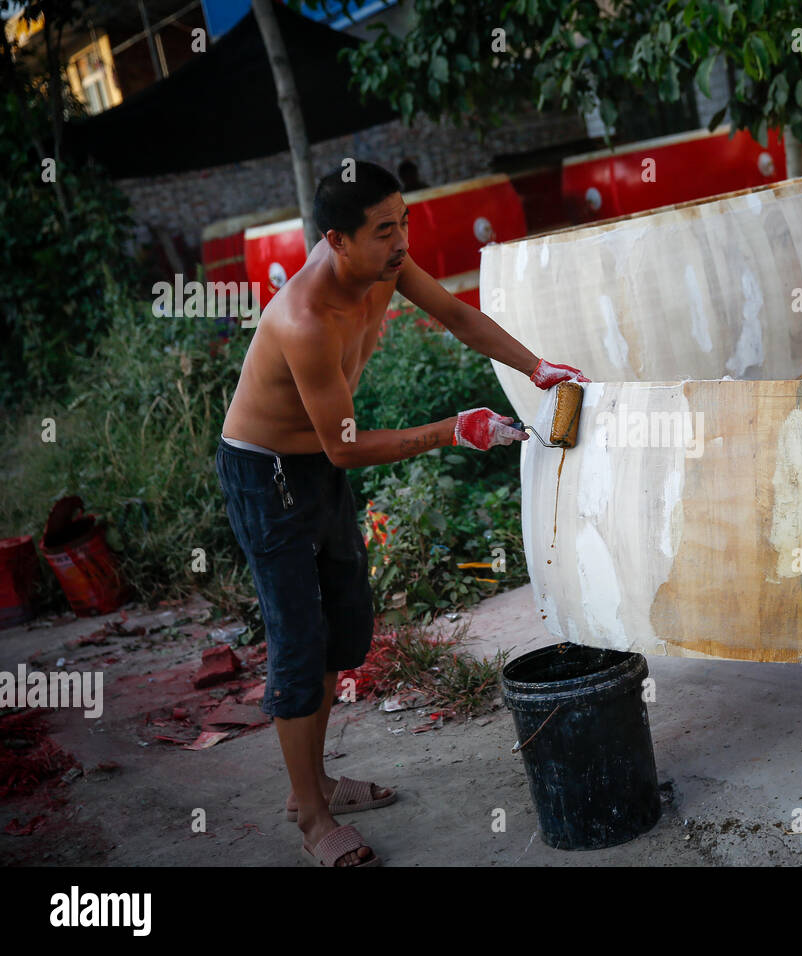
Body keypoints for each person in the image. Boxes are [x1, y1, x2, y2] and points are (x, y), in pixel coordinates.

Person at [215, 160, 587, 867]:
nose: (400, 240)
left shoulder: (386, 268)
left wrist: (537, 367)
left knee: (344, 628)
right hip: (267, 475)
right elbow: (345, 448)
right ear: (337, 240)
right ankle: (314, 821)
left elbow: (456, 316)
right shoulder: (302, 318)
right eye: (384, 230)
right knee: (298, 642)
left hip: (317, 466)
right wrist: (453, 428)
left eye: (404, 221)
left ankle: (311, 785)